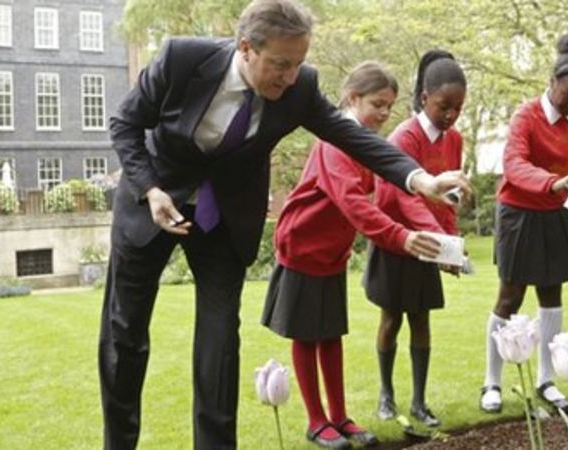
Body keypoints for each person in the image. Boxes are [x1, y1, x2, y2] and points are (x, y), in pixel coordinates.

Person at [98, 1, 469, 448]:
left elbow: (351, 136)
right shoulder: (182, 59)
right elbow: (125, 123)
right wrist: (150, 188)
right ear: (246, 49)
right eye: (279, 64)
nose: (290, 77)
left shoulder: (299, 87)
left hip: (223, 218)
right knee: (126, 334)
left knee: (219, 339)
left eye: (298, 64)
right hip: (152, 202)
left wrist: (421, 179)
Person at [261, 61, 444, 450]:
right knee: (307, 336)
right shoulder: (334, 144)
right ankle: (316, 421)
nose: (383, 113)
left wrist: (438, 239)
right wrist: (401, 238)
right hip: (302, 247)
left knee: (331, 335)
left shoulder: (368, 145)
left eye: (390, 107)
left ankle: (340, 417)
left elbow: (397, 192)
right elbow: (353, 204)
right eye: (377, 103)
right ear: (352, 98)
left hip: (331, 252)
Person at [479, 31, 568, 414]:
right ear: (552, 82)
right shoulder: (526, 115)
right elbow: (514, 165)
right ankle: (491, 382)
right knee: (510, 295)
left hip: (558, 211)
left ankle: (547, 380)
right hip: (520, 212)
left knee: (552, 294)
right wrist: (553, 180)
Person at [365, 50, 466, 428]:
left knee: (422, 319)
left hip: (431, 240)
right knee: (391, 318)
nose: (451, 115)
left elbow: (447, 198)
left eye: (458, 107)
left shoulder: (454, 139)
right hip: (398, 240)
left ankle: (420, 402)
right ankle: (386, 395)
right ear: (425, 99)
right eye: (444, 106)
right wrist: (439, 242)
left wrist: (450, 245)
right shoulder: (402, 137)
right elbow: (399, 198)